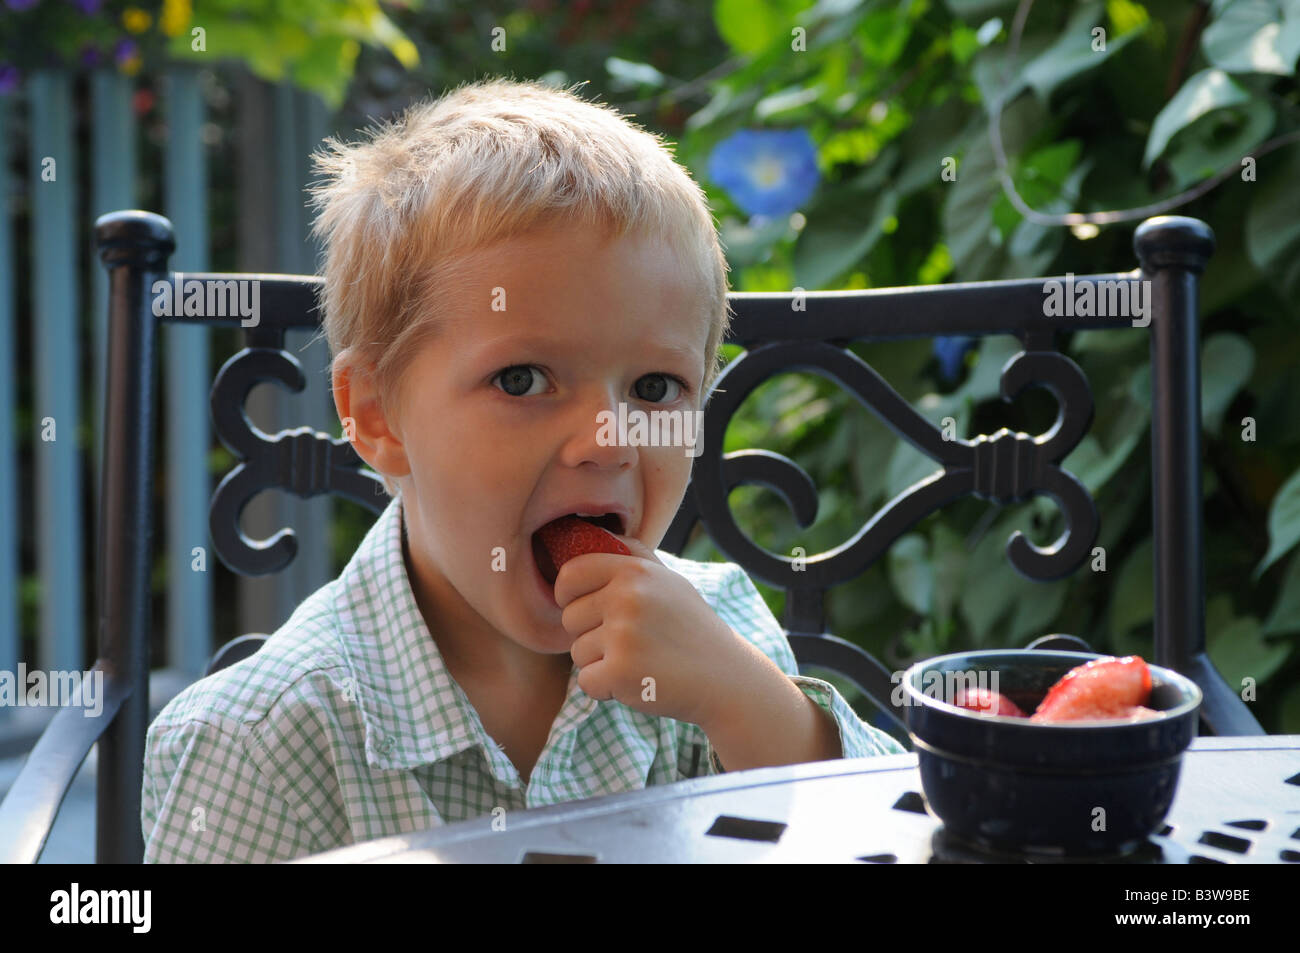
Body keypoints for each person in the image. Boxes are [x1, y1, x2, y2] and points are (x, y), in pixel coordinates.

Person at [141, 77, 904, 863]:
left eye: (654, 387)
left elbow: (890, 838)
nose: (607, 440)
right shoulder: (259, 746)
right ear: (375, 414)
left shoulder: (717, 636)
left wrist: (753, 706)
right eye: (522, 379)